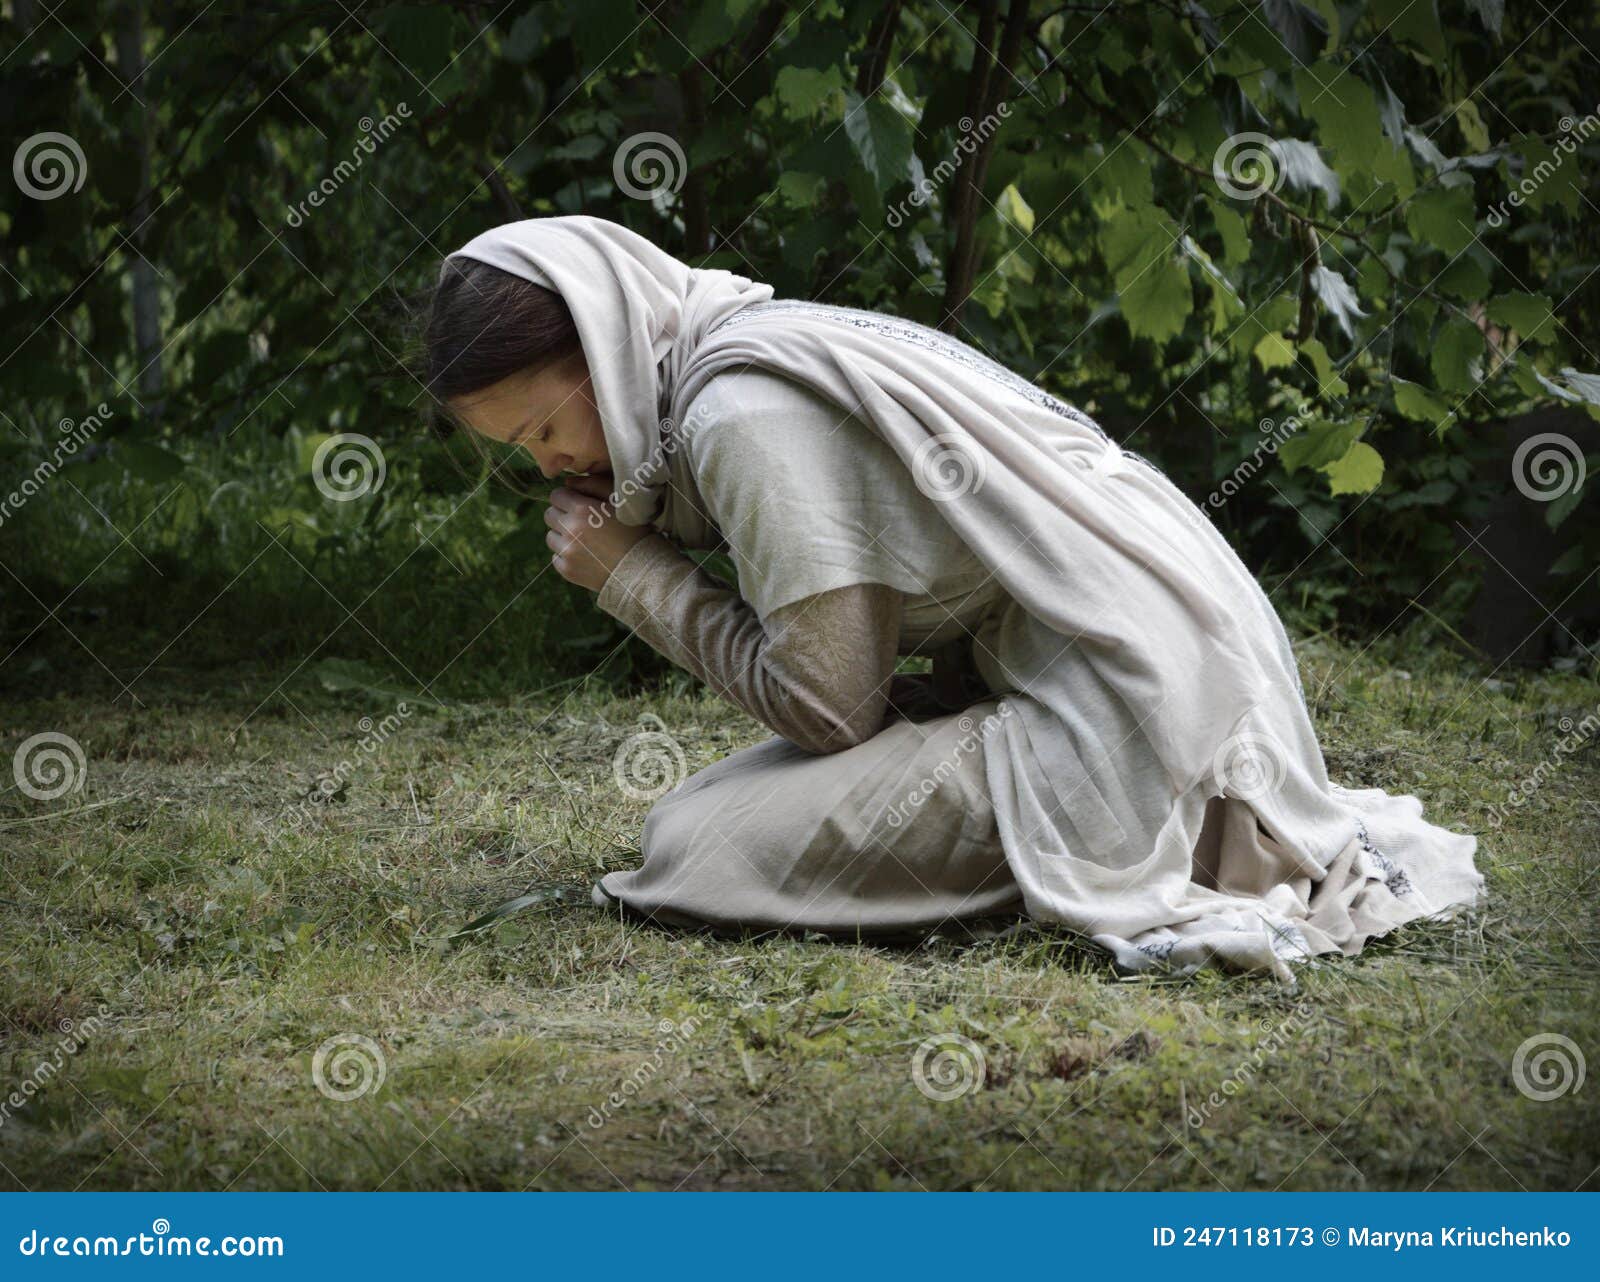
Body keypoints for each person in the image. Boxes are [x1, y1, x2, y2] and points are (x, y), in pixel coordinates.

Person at [417, 213, 1485, 984]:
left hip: (1131, 710)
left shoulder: (737, 415)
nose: (552, 465)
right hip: (1160, 661)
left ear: (603, 350)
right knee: (702, 818)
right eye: (523, 453)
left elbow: (833, 711)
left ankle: (1123, 841)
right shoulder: (735, 356)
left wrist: (635, 580)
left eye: (543, 428)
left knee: (697, 842)